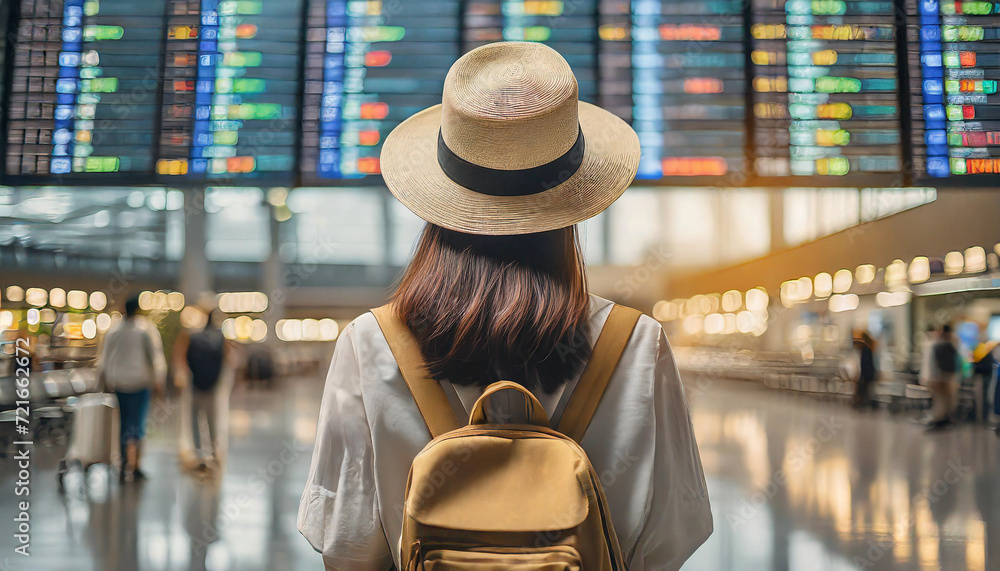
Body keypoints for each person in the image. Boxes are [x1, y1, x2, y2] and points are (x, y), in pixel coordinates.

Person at [298, 42, 712, 570]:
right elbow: (674, 535)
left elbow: (347, 543)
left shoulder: (371, 342)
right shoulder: (635, 343)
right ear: (573, 203)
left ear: (439, 201)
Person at [98, 294, 166, 482]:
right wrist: (159, 380)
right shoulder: (146, 329)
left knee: (123, 423)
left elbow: (105, 359)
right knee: (137, 423)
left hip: (119, 383)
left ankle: (122, 463)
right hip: (140, 382)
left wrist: (103, 381)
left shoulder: (114, 330)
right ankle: (135, 465)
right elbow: (156, 357)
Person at [175, 309, 230, 472]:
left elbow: (182, 358)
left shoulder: (192, 336)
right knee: (213, 420)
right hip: (213, 386)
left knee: (194, 419)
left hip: (195, 384)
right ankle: (213, 452)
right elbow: (229, 360)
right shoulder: (221, 338)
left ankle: (199, 453)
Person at [921, 324, 962, 430]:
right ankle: (944, 419)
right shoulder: (952, 345)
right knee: (946, 400)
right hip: (947, 377)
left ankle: (941, 419)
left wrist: (932, 378)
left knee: (942, 400)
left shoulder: (937, 345)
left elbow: (933, 364)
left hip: (941, 378)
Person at [852, 331, 877, 410]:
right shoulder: (868, 348)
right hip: (869, 373)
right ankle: (865, 403)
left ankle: (862, 403)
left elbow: (865, 363)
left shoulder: (865, 350)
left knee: (863, 389)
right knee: (866, 389)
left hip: (866, 374)